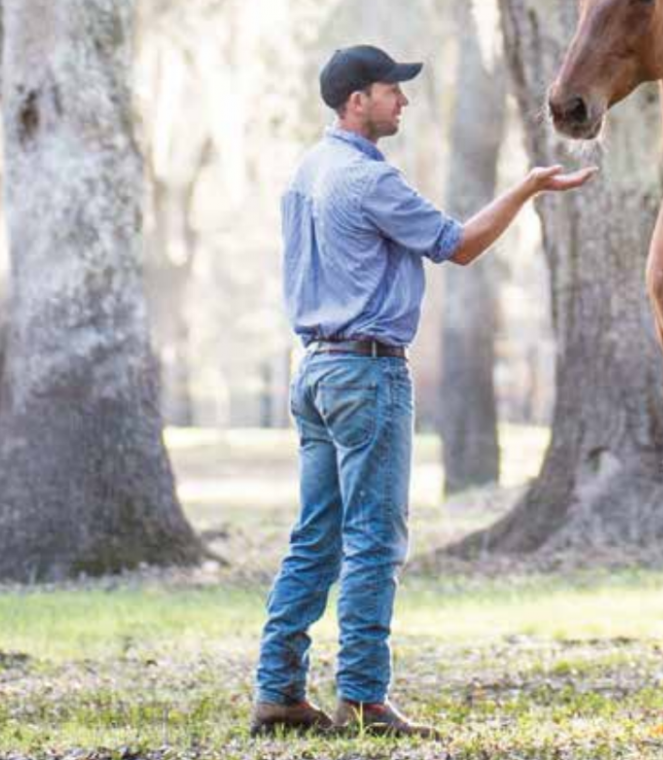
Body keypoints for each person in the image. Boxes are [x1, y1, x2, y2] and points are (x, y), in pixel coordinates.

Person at [250, 45, 596, 738]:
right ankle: (365, 699)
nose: (402, 102)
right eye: (391, 91)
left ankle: (278, 689)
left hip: (315, 371)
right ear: (356, 102)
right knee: (375, 538)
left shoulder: (306, 173)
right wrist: (527, 188)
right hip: (368, 373)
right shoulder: (368, 181)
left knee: (315, 536)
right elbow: (457, 244)